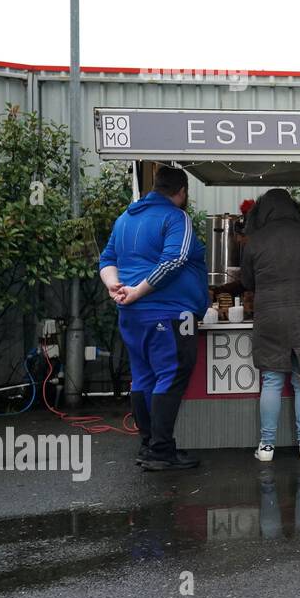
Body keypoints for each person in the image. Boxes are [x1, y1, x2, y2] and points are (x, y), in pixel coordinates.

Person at [98, 165, 209, 472]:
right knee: (170, 376)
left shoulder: (125, 218)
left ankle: (148, 445)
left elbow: (107, 259)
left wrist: (114, 286)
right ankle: (161, 449)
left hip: (132, 315)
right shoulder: (176, 217)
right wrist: (138, 291)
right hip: (169, 312)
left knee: (144, 376)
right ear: (182, 192)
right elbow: (174, 260)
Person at [240, 189, 300, 462]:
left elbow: (247, 282)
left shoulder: (255, 241)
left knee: (271, 380)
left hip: (269, 317)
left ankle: (267, 446)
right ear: (294, 208)